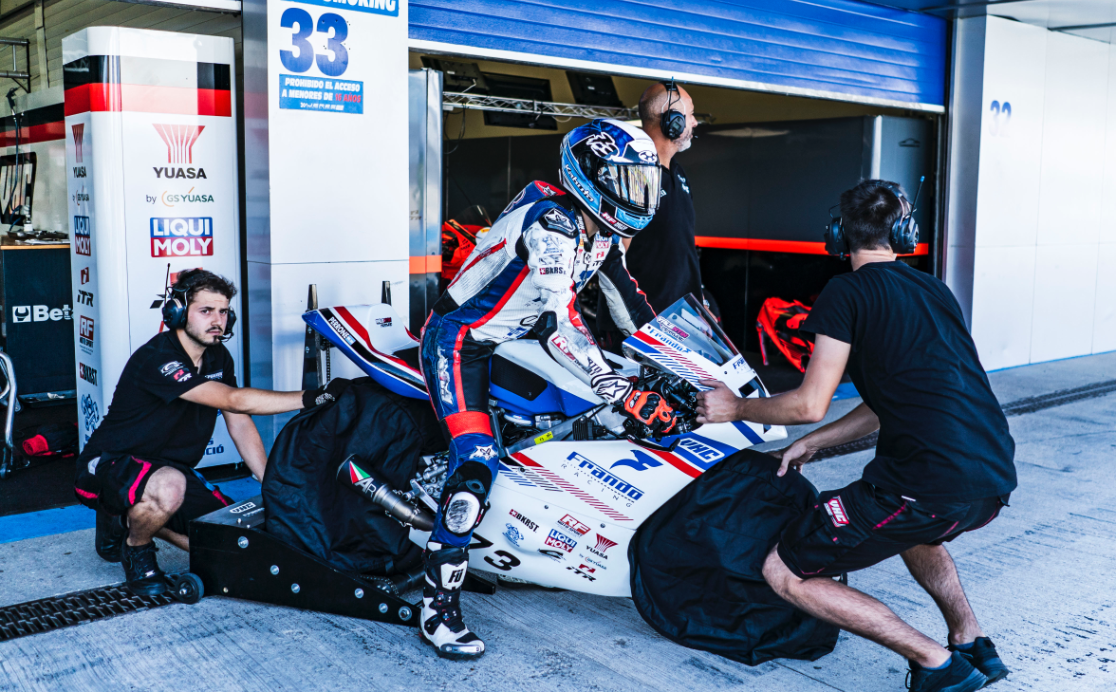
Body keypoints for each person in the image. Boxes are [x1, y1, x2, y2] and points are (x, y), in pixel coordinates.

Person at [695, 180, 1017, 692]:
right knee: (917, 534)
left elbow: (807, 402)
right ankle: (970, 641)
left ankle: (938, 664)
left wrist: (733, 406)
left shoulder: (845, 292)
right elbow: (890, 399)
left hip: (925, 485)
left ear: (837, 234)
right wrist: (818, 441)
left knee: (786, 574)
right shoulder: (933, 288)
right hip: (991, 476)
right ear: (903, 233)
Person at [418, 118, 680, 659]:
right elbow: (562, 321)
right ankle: (437, 605)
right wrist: (616, 384)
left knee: (587, 420)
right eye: (626, 181)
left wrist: (674, 362)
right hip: (462, 341)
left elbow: (628, 304)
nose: (637, 196)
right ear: (589, 175)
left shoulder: (599, 231)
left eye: (642, 183)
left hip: (519, 335)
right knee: (476, 461)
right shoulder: (552, 222)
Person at [74, 269, 348, 596]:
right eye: (206, 311)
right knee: (169, 487)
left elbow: (238, 417)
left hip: (168, 471)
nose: (217, 320)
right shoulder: (159, 359)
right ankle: (137, 548)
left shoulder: (218, 356)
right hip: (111, 464)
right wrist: (309, 398)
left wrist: (268, 480)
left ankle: (121, 520)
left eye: (223, 312)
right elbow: (231, 398)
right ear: (176, 312)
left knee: (228, 541)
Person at [596, 80, 701, 351]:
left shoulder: (676, 172)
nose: (696, 123)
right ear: (672, 122)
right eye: (690, 115)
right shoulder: (635, 174)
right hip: (640, 327)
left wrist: (700, 309)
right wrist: (637, 321)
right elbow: (611, 258)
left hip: (680, 323)